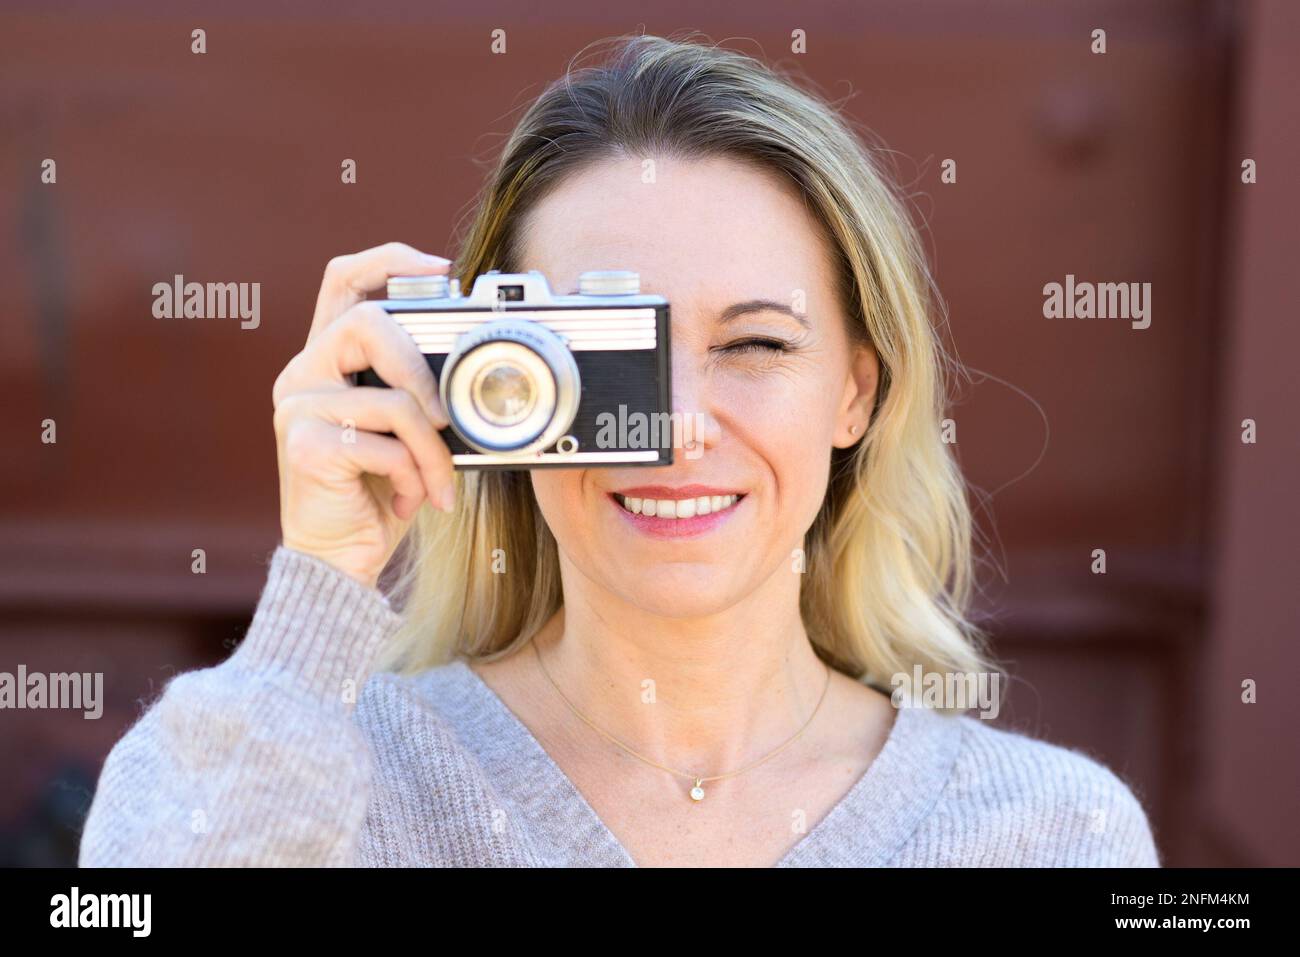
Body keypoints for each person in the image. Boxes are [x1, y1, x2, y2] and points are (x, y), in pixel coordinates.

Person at [78, 33, 1159, 867]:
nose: (682, 425)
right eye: (603, 356)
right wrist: (315, 598)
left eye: (754, 344)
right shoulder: (340, 784)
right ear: (487, 382)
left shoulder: (1043, 833)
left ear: (855, 393)